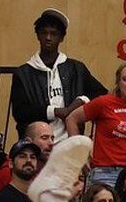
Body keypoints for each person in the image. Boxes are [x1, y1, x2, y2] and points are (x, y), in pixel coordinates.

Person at [10, 7, 105, 142]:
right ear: (37, 35)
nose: (48, 37)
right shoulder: (24, 73)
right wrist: (55, 111)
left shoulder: (76, 69)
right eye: (44, 33)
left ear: (61, 38)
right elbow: (20, 112)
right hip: (36, 147)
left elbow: (101, 94)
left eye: (54, 34)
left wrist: (81, 101)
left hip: (69, 143)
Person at [62, 62, 126, 190]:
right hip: (105, 172)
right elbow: (71, 119)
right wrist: (79, 154)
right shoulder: (104, 102)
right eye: (125, 79)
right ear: (118, 82)